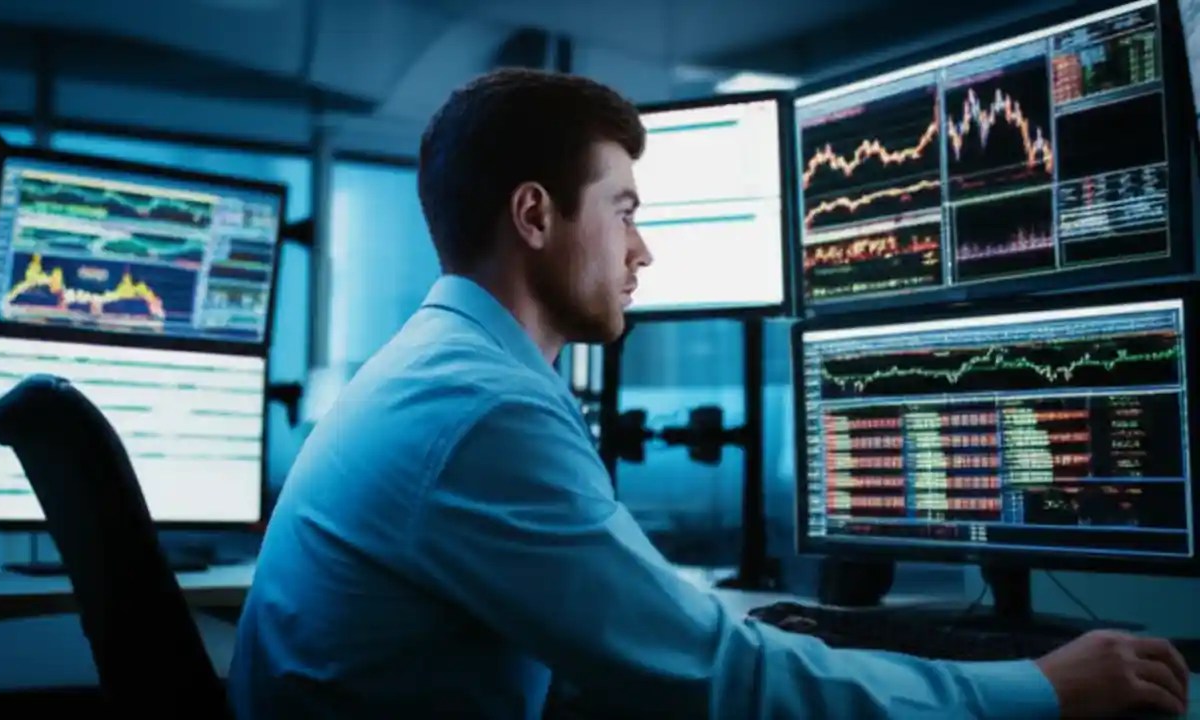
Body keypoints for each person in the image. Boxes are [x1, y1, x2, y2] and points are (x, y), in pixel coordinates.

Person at [227, 67, 1191, 719]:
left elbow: (655, 632)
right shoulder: (484, 412)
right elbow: (724, 682)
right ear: (534, 215)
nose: (642, 250)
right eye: (626, 211)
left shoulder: (434, 372)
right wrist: (1041, 691)